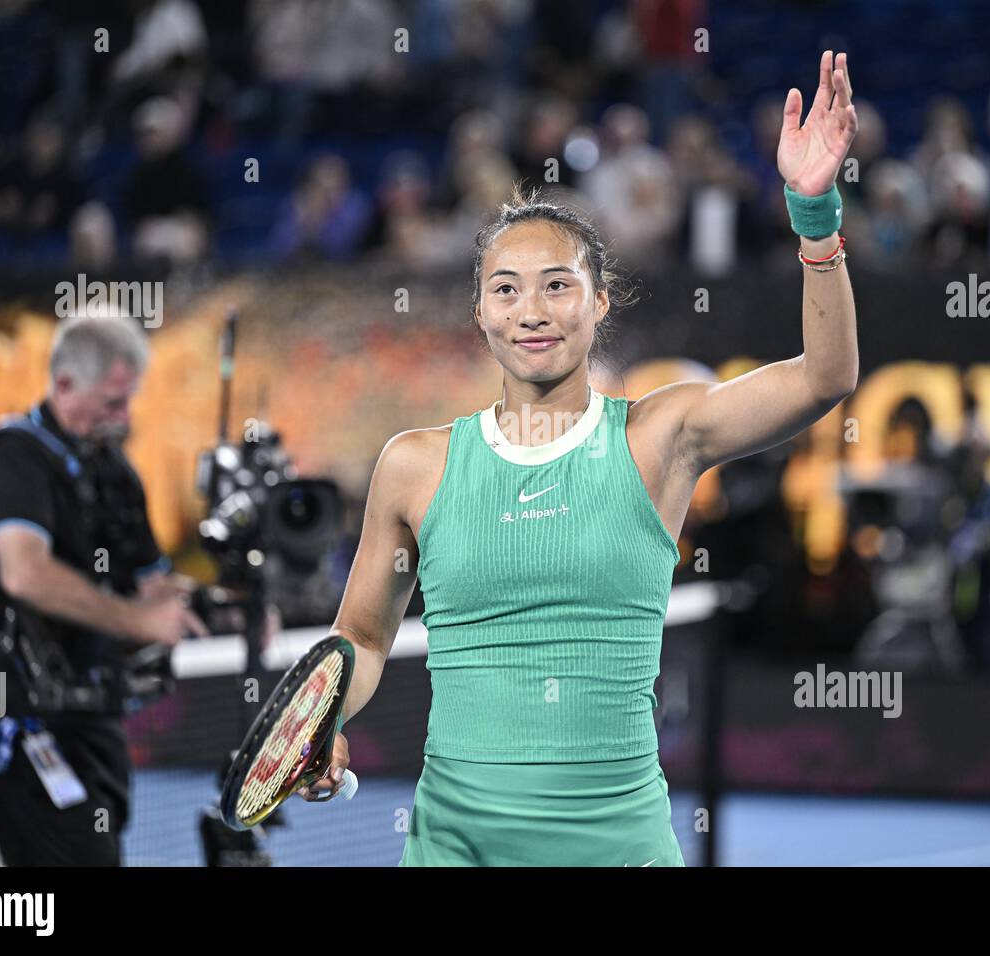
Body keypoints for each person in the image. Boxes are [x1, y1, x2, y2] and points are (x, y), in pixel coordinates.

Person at [300, 51, 859, 866]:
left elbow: (825, 376)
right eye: (506, 289)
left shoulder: (660, 437)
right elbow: (364, 636)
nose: (532, 310)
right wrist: (328, 717)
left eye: (558, 285)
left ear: (600, 303)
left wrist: (814, 214)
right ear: (480, 312)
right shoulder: (414, 465)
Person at [0, 313, 207, 866]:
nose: (125, 417)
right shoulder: (8, 457)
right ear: (64, 384)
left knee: (90, 854)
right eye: (113, 402)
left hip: (95, 714)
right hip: (17, 709)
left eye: (128, 401)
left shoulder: (116, 472)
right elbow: (25, 573)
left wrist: (226, 604)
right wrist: (140, 621)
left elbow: (155, 586)